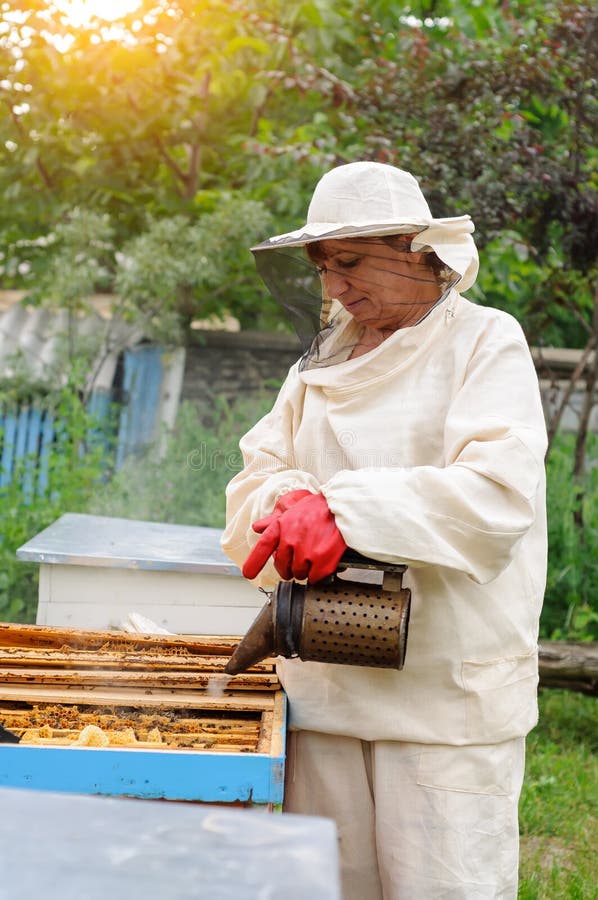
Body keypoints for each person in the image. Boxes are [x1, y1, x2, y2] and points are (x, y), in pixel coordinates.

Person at [221, 161, 547, 899]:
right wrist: (286, 501)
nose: (334, 288)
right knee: (326, 888)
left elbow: (494, 499)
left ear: (415, 248)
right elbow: (255, 474)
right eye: (323, 269)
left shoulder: (485, 343)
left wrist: (342, 511)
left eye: (349, 263)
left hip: (443, 701)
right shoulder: (319, 363)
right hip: (325, 690)